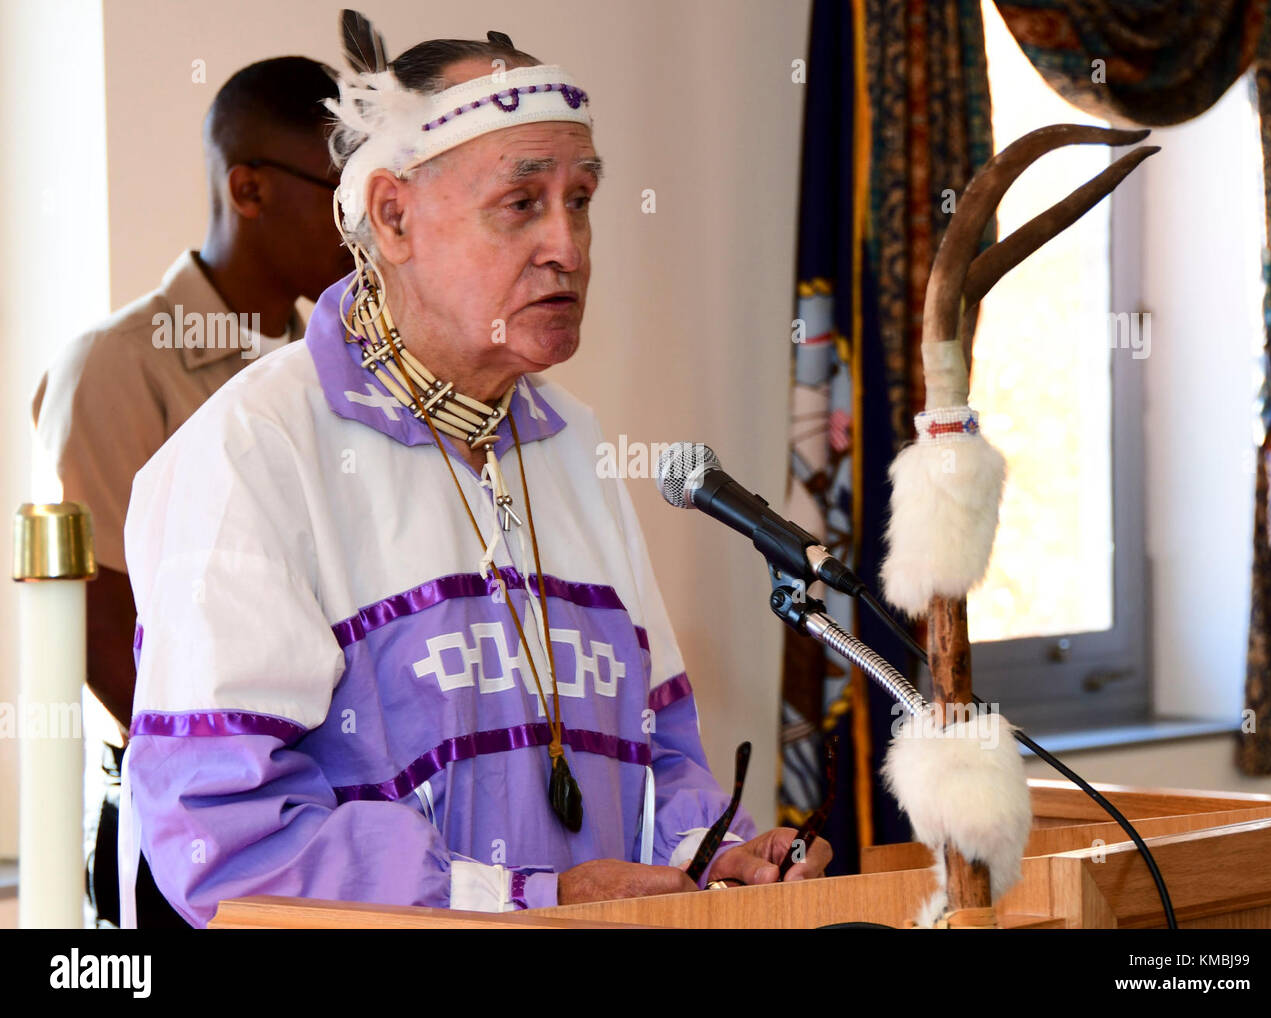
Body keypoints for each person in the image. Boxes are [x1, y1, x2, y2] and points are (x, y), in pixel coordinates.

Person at [119, 15, 831, 928]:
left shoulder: (572, 445)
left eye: (581, 200)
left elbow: (655, 766)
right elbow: (230, 843)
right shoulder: (253, 452)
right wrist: (525, 899)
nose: (568, 247)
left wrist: (714, 856)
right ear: (394, 216)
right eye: (522, 203)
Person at [31, 55, 351, 927]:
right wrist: (239, 778)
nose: (362, 223)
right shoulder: (117, 362)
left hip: (334, 817)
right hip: (191, 824)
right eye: (338, 188)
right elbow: (94, 615)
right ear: (247, 188)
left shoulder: (335, 378)